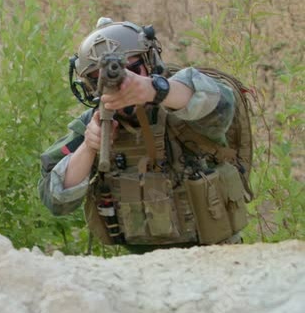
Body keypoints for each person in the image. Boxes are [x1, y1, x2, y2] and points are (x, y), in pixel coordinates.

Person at [38, 18, 250, 250]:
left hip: (216, 256)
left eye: (133, 69)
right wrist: (90, 147)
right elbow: (55, 200)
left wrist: (155, 90)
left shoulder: (180, 101)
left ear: (150, 62)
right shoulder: (96, 123)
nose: (121, 83)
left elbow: (219, 102)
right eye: (98, 80)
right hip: (144, 267)